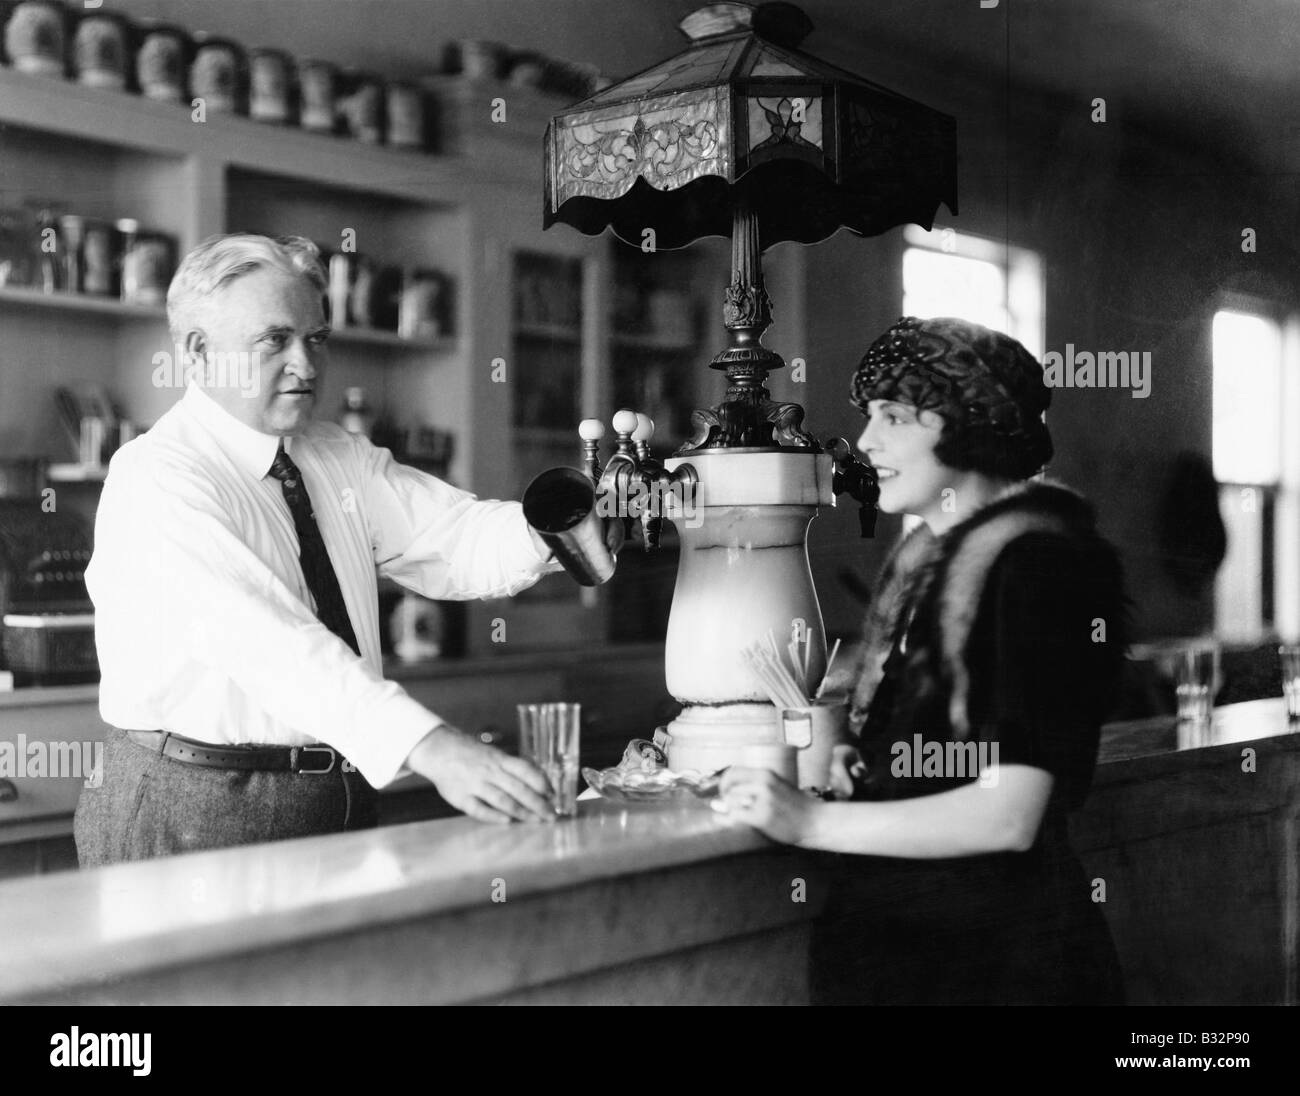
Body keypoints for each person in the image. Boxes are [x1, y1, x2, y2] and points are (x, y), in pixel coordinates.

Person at [76, 233, 615, 866]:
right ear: (198, 352)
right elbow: (268, 642)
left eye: (317, 338)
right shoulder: (159, 477)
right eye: (274, 340)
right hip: (196, 803)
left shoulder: (333, 454)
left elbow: (452, 537)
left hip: (338, 786)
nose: (306, 365)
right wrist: (432, 745)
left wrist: (568, 520)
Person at [715, 316, 1127, 1005]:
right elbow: (942, 754)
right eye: (869, 416)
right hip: (913, 960)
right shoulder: (928, 565)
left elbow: (1010, 812)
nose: (868, 442)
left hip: (999, 969)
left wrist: (811, 821)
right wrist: (867, 764)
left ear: (971, 423)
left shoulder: (1038, 564)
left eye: (896, 416)